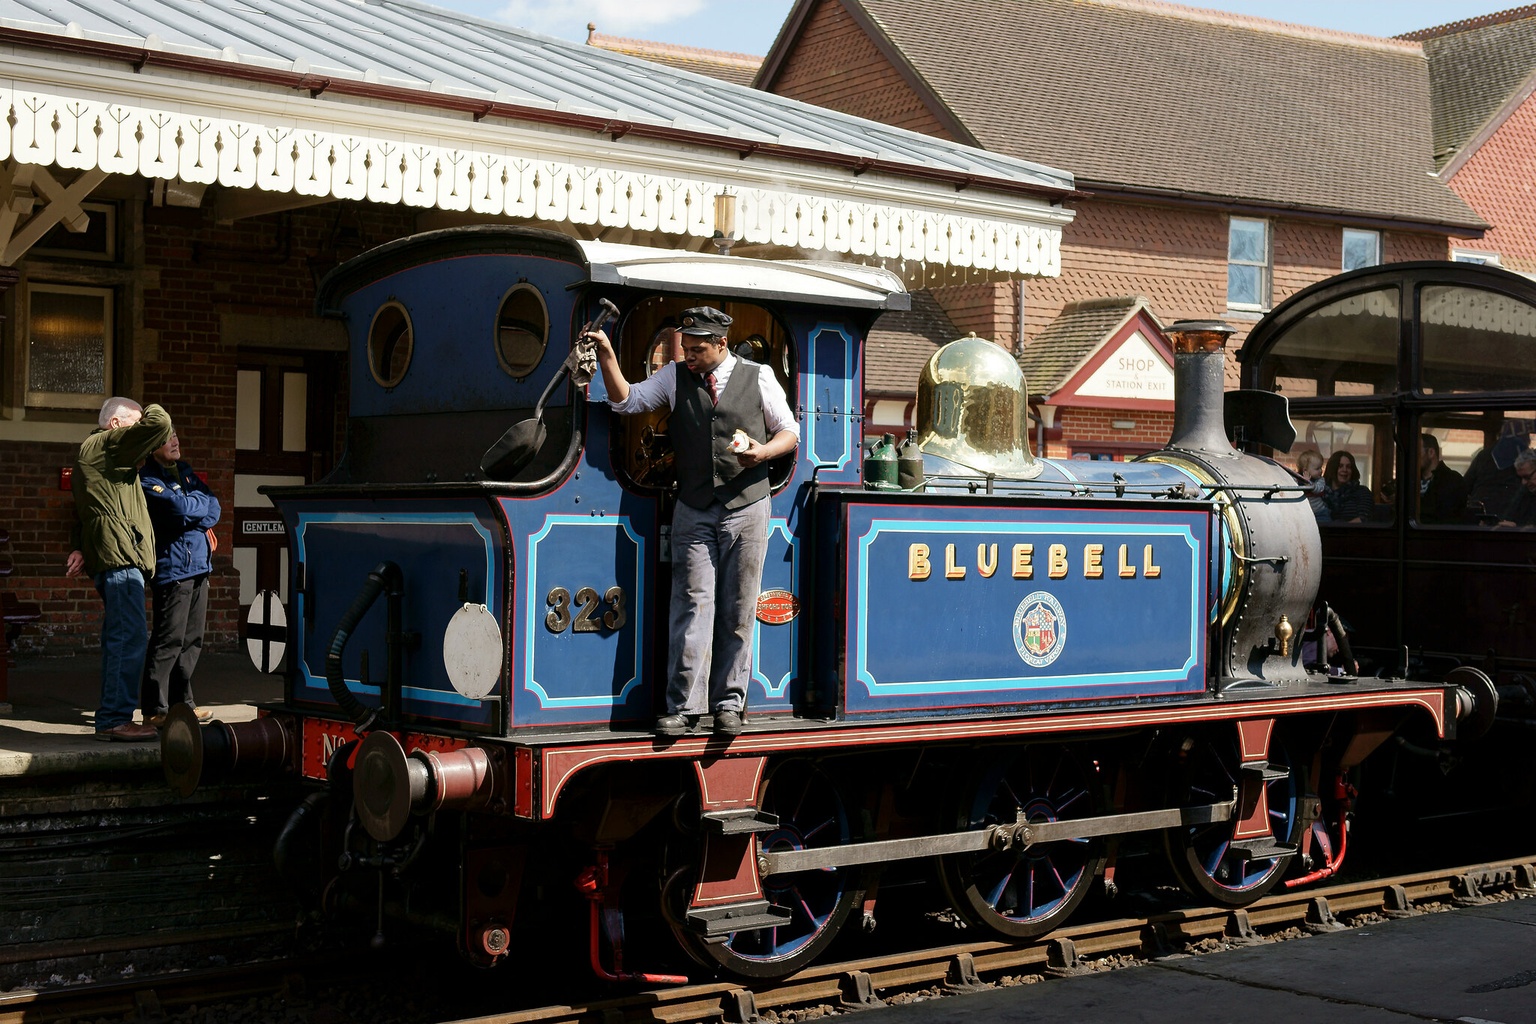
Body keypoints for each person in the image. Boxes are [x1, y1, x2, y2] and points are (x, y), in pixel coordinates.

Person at [589, 306, 799, 737]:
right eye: (685, 348)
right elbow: (627, 400)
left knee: (739, 608)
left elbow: (790, 433)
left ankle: (729, 704)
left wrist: (760, 453)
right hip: (695, 507)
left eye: (698, 349)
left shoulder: (758, 376)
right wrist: (608, 355)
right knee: (691, 604)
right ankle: (683, 707)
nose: (689, 356)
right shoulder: (674, 376)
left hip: (747, 506)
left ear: (722, 344)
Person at [66, 397, 174, 741]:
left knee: (123, 636)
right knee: (127, 638)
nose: (138, 433)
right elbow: (159, 424)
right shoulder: (106, 444)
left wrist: (80, 545)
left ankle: (114, 716)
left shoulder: (106, 459)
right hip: (120, 559)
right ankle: (114, 719)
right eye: (133, 424)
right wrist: (151, 407)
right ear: (115, 424)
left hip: (118, 555)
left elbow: (85, 508)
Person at [140, 430, 221, 726]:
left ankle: (182, 703)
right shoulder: (147, 479)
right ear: (152, 446)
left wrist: (191, 510)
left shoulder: (185, 472)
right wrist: (191, 509)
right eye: (166, 438)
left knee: (192, 640)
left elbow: (214, 507)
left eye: (175, 435)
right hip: (174, 568)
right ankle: (154, 709)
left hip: (200, 566)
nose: (175, 441)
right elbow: (177, 509)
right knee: (168, 640)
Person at [1418, 433, 1467, 524]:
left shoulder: (1452, 480)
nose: (1413, 457)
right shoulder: (1410, 480)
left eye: (1417, 452)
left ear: (1431, 452)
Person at [1323, 450, 1374, 523]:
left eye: (1348, 467)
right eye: (1340, 466)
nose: (1344, 470)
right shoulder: (1319, 492)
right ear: (1332, 469)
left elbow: (1364, 518)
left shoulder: (1362, 492)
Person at [1497, 448, 1536, 528]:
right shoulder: (1524, 492)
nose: (1523, 482)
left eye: (1527, 477)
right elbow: (1509, 515)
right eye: (1520, 478)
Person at [1295, 449, 1330, 522]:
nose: (1321, 471)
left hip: (1320, 513)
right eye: (1317, 468)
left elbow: (1318, 489)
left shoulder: (1320, 480)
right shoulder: (1297, 479)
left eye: (1321, 467)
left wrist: (1308, 483)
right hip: (1304, 514)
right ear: (1305, 471)